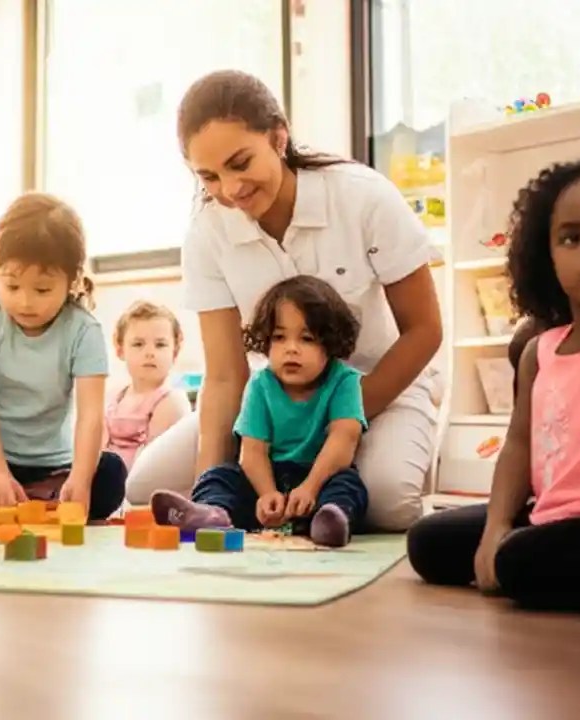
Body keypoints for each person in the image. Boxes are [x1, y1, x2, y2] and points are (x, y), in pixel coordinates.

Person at [125, 69, 442, 531]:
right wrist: (208, 490)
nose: (230, 189)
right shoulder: (208, 233)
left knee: (390, 503)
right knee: (145, 486)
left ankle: (325, 490)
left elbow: (424, 330)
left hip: (379, 389)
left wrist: (336, 423)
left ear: (278, 138)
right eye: (209, 176)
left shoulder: (362, 197)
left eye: (240, 163)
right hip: (275, 398)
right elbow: (226, 374)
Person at [407, 159, 580, 618]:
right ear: (548, 257)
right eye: (573, 238)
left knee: (522, 561)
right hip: (552, 514)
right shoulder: (538, 352)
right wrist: (495, 528)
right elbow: (518, 446)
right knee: (428, 542)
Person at [0, 192, 126, 519]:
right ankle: (27, 499)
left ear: (72, 280)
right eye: (11, 287)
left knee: (110, 475)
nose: (25, 302)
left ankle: (35, 497)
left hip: (51, 462)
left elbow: (91, 415)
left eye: (42, 290)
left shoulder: (83, 330)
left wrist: (80, 480)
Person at [150, 276, 368, 547]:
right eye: (279, 337)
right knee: (219, 476)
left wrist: (310, 487)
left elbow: (344, 439)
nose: (291, 348)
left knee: (348, 484)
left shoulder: (344, 381)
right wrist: (266, 494)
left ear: (331, 343)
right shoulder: (261, 384)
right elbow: (252, 451)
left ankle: (330, 521)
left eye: (307, 338)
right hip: (267, 477)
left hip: (318, 477)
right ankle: (211, 513)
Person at [104, 300, 190, 470]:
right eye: (138, 344)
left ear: (175, 351)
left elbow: (155, 463)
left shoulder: (171, 401)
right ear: (120, 349)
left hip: (143, 487)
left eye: (160, 345)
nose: (150, 353)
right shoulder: (114, 396)